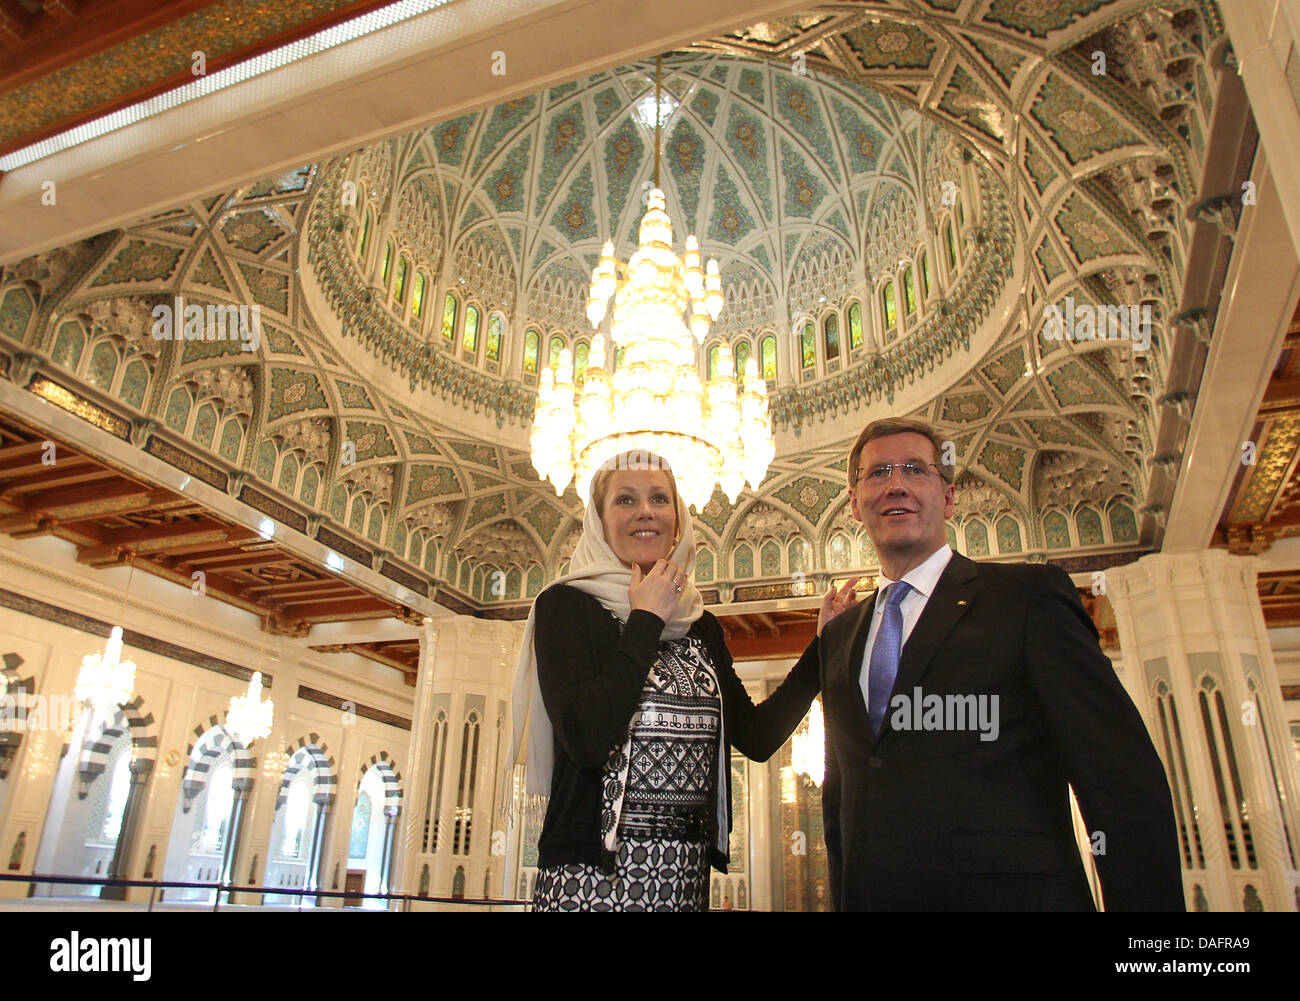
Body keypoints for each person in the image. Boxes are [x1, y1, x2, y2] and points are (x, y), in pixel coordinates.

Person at [817, 417, 1184, 911]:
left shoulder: (1028, 598)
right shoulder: (840, 636)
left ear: (947, 497)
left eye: (915, 469)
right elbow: (841, 805)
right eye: (877, 472)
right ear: (854, 503)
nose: (896, 484)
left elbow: (1118, 781)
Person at [507, 451, 857, 911]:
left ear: (677, 522)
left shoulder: (698, 622)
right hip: (590, 876)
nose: (645, 511)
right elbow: (587, 737)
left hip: (683, 876)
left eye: (659, 499)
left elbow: (756, 736)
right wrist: (646, 617)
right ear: (599, 519)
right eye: (625, 500)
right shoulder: (567, 606)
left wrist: (822, 647)